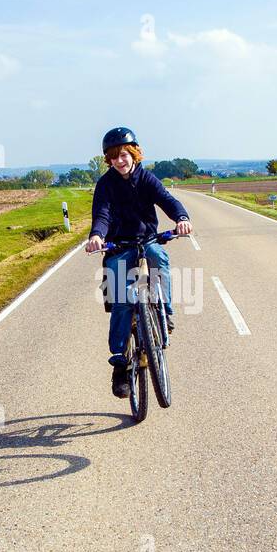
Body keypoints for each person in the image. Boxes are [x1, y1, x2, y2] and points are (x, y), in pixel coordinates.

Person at [84, 126, 192, 398]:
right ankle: (120, 362)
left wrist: (181, 218)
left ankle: (165, 313)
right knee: (121, 299)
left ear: (134, 153)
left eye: (124, 155)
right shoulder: (106, 185)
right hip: (118, 244)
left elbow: (167, 200)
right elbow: (103, 215)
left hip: (147, 240)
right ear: (108, 160)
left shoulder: (146, 178)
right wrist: (97, 235)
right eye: (113, 157)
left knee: (159, 258)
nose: (120, 161)